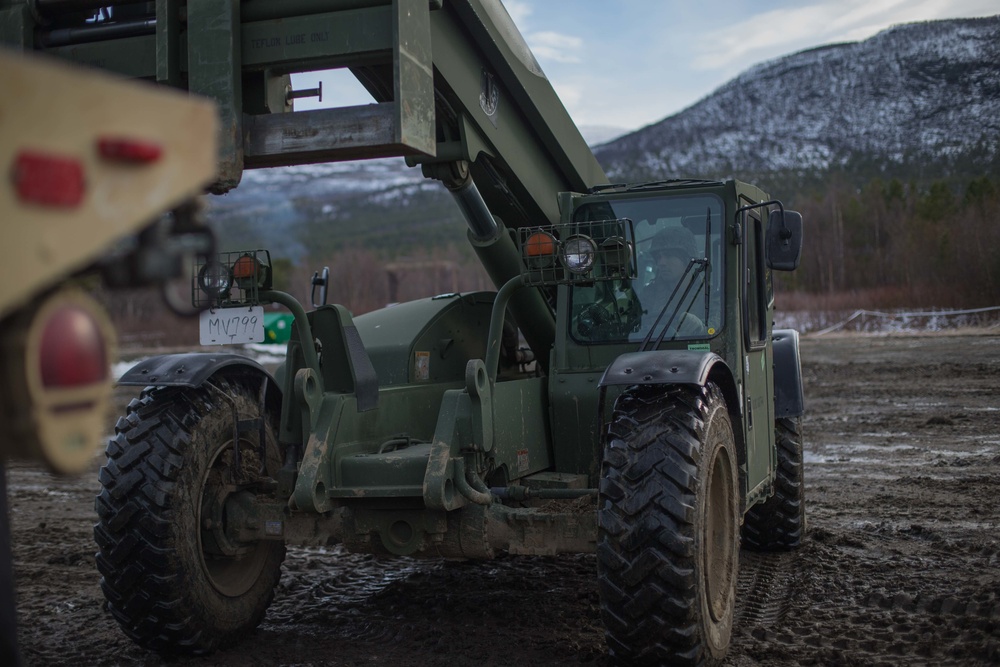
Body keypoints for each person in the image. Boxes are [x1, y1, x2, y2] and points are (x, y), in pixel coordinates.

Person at [640, 226, 704, 336]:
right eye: (659, 257)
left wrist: (701, 328)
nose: (661, 262)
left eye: (669, 256)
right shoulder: (648, 295)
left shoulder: (708, 296)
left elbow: (717, 332)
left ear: (687, 259)